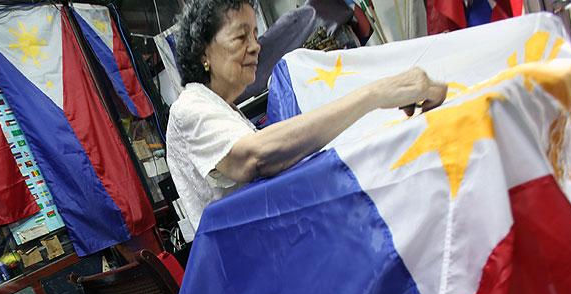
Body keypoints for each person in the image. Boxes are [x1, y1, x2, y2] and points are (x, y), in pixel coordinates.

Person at [166, 0, 448, 236]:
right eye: (241, 37)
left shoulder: (223, 110)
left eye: (255, 35)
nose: (255, 46)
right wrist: (375, 94)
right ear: (205, 52)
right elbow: (255, 156)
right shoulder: (189, 107)